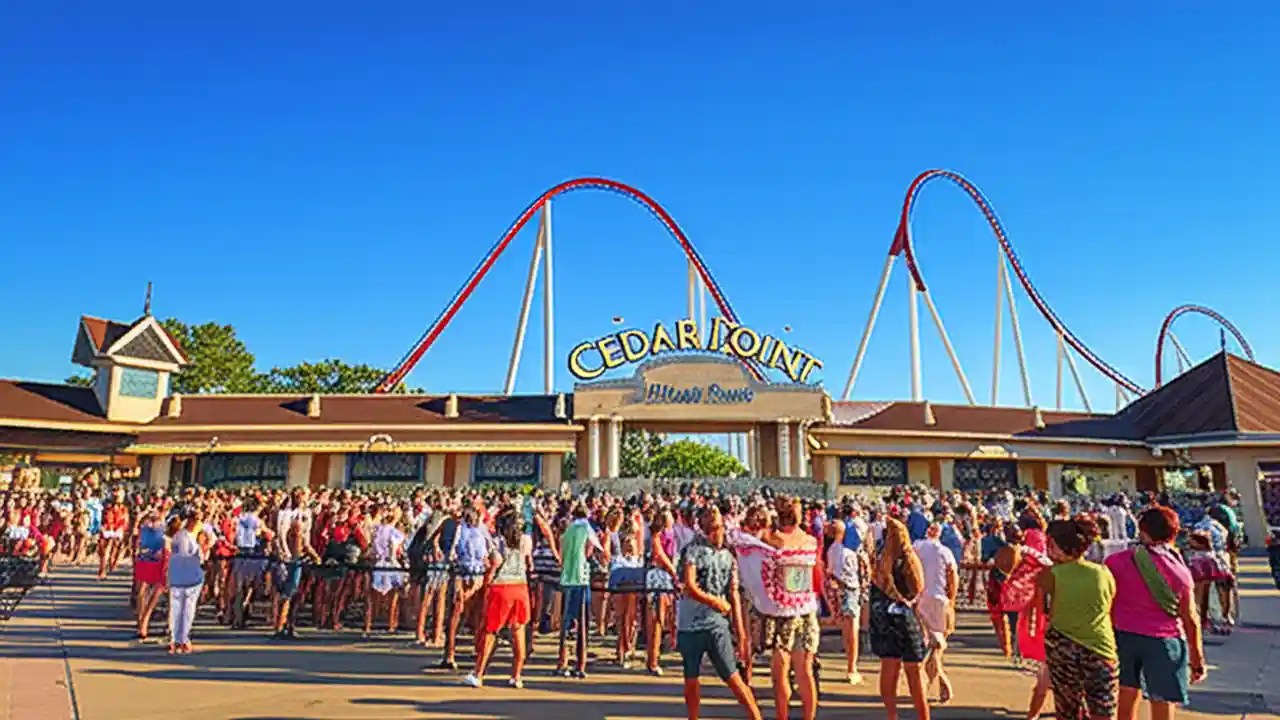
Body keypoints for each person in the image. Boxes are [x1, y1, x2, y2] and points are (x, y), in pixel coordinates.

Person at [1105, 506, 1206, 720]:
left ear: (1142, 531)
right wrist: (1197, 658)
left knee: (1125, 693)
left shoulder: (1116, 562)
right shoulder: (1180, 572)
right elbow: (1190, 619)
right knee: (1161, 699)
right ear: (1174, 533)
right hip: (1164, 641)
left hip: (1122, 635)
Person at [675, 506, 762, 720]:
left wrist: (741, 632)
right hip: (691, 623)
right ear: (704, 528)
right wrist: (713, 601)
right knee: (691, 679)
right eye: (713, 528)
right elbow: (690, 585)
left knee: (732, 676)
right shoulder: (692, 550)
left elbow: (733, 593)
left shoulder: (728, 555)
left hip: (716, 624)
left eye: (720, 528)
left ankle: (756, 717)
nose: (717, 533)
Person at [1037, 517, 1118, 720]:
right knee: (1103, 708)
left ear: (1055, 545)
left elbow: (1045, 610)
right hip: (1101, 646)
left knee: (1067, 708)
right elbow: (1107, 606)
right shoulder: (1103, 572)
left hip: (1063, 646)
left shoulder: (1049, 575)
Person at [763, 496, 820, 720]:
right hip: (804, 608)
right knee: (803, 672)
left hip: (784, 610)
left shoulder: (773, 540)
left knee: (781, 673)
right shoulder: (810, 541)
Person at [869, 517, 930, 720]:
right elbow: (918, 587)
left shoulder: (879, 560)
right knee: (914, 669)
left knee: (888, 666)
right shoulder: (907, 558)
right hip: (904, 615)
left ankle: (891, 715)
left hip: (881, 616)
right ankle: (923, 715)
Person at [465, 509, 532, 689]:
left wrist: (487, 584)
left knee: (490, 631)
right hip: (521, 586)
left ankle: (478, 673)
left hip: (501, 587)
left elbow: (495, 563)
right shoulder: (526, 541)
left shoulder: (498, 542)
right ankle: (516, 676)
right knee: (518, 630)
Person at [913, 521, 958, 704]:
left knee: (928, 644)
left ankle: (931, 682)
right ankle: (938, 680)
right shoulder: (945, 551)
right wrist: (952, 600)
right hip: (939, 599)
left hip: (921, 597)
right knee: (937, 645)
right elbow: (952, 575)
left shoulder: (917, 546)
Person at [557, 501, 601, 678]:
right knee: (582, 624)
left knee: (565, 624)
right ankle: (580, 664)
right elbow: (591, 550)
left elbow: (562, 554)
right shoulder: (587, 530)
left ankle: (562, 662)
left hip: (566, 578)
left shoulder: (566, 532)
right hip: (581, 579)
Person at [826, 519, 865, 686]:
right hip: (848, 590)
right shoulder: (844, 551)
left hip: (841, 590)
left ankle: (852, 665)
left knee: (847, 631)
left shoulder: (833, 550)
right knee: (851, 632)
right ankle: (852, 668)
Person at [167, 508, 205, 654]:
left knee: (186, 610)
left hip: (187, 577)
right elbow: (185, 557)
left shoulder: (189, 535)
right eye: (196, 519)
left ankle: (182, 638)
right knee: (179, 609)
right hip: (185, 576)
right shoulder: (183, 536)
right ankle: (176, 639)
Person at [132, 507, 168, 641]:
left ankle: (145, 620)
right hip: (144, 560)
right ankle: (141, 621)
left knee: (156, 592)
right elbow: (138, 541)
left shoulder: (164, 528)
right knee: (141, 591)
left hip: (158, 562)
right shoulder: (144, 528)